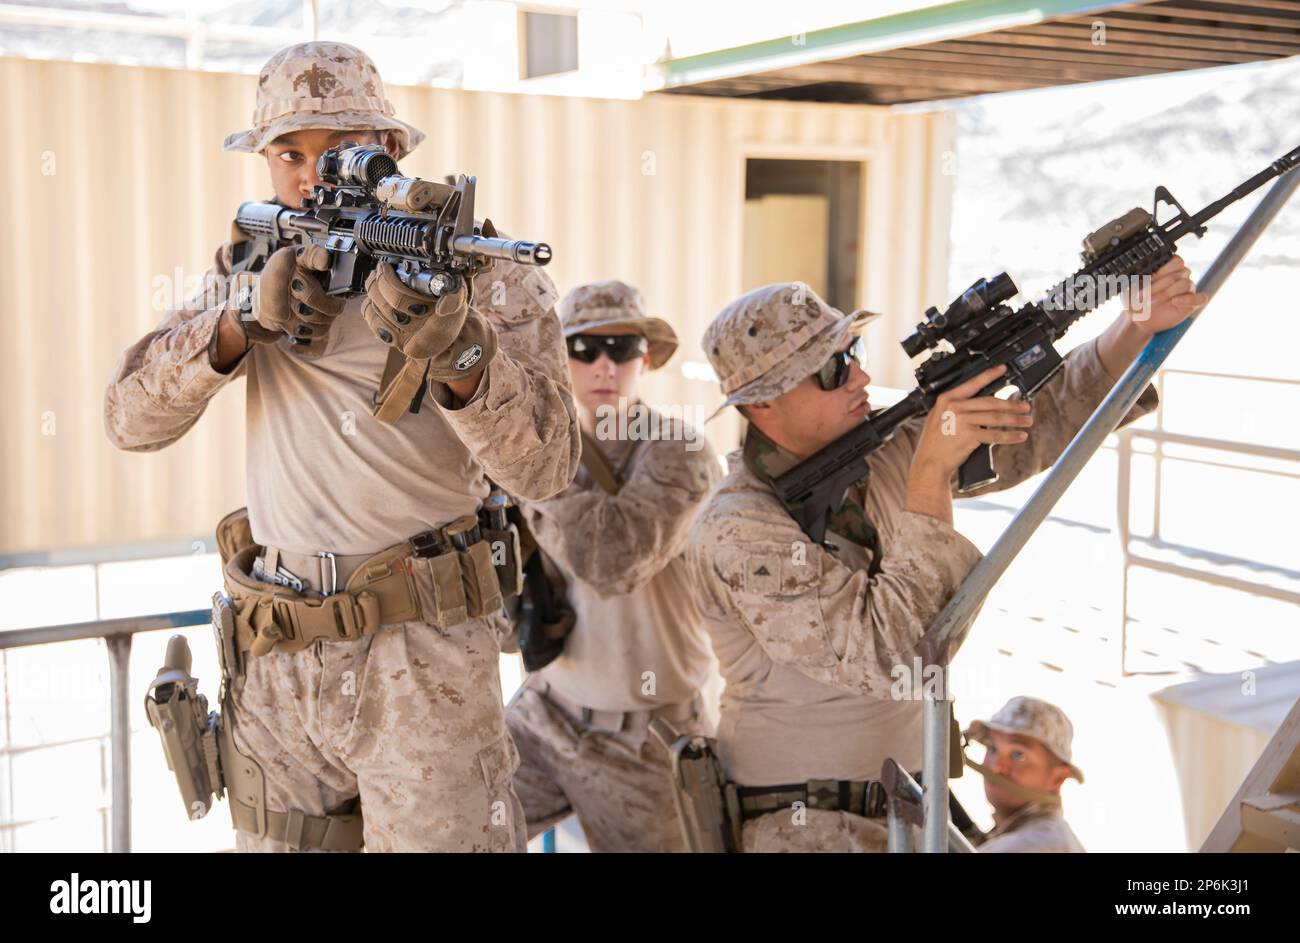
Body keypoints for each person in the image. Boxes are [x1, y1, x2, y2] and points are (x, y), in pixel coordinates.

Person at [106, 41, 578, 852]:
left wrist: (459, 349)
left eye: (338, 153)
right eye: (287, 153)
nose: (308, 174)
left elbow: (547, 465)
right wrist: (236, 324)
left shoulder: (483, 278)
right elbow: (129, 419)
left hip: (420, 653)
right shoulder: (254, 265)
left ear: (388, 155)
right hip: (276, 649)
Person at [686, 263, 1204, 852]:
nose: (860, 374)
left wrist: (1131, 331)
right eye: (831, 369)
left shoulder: (869, 453)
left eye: (851, 349)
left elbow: (1032, 429)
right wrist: (930, 470)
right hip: (804, 828)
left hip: (908, 808)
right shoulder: (739, 530)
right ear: (762, 407)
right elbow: (896, 658)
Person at [505, 280, 722, 852]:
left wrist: (524, 464)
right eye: (583, 349)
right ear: (560, 358)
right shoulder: (541, 445)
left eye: (621, 348)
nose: (604, 365)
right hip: (545, 712)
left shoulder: (680, 450)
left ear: (644, 358)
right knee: (447, 831)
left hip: (645, 740)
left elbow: (613, 562)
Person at [964, 696, 1086, 853]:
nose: (996, 767)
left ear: (1058, 778)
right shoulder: (1029, 836)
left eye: (1018, 755)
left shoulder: (1036, 845)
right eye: (993, 748)